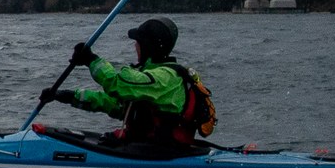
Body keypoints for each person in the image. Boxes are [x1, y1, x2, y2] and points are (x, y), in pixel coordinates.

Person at [37, 16, 216, 151]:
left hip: (162, 152)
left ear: (148, 47)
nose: (135, 47)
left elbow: (116, 84)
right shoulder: (152, 75)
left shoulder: (165, 78)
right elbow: (115, 105)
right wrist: (66, 96)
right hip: (149, 148)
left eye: (138, 43)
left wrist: (91, 60)